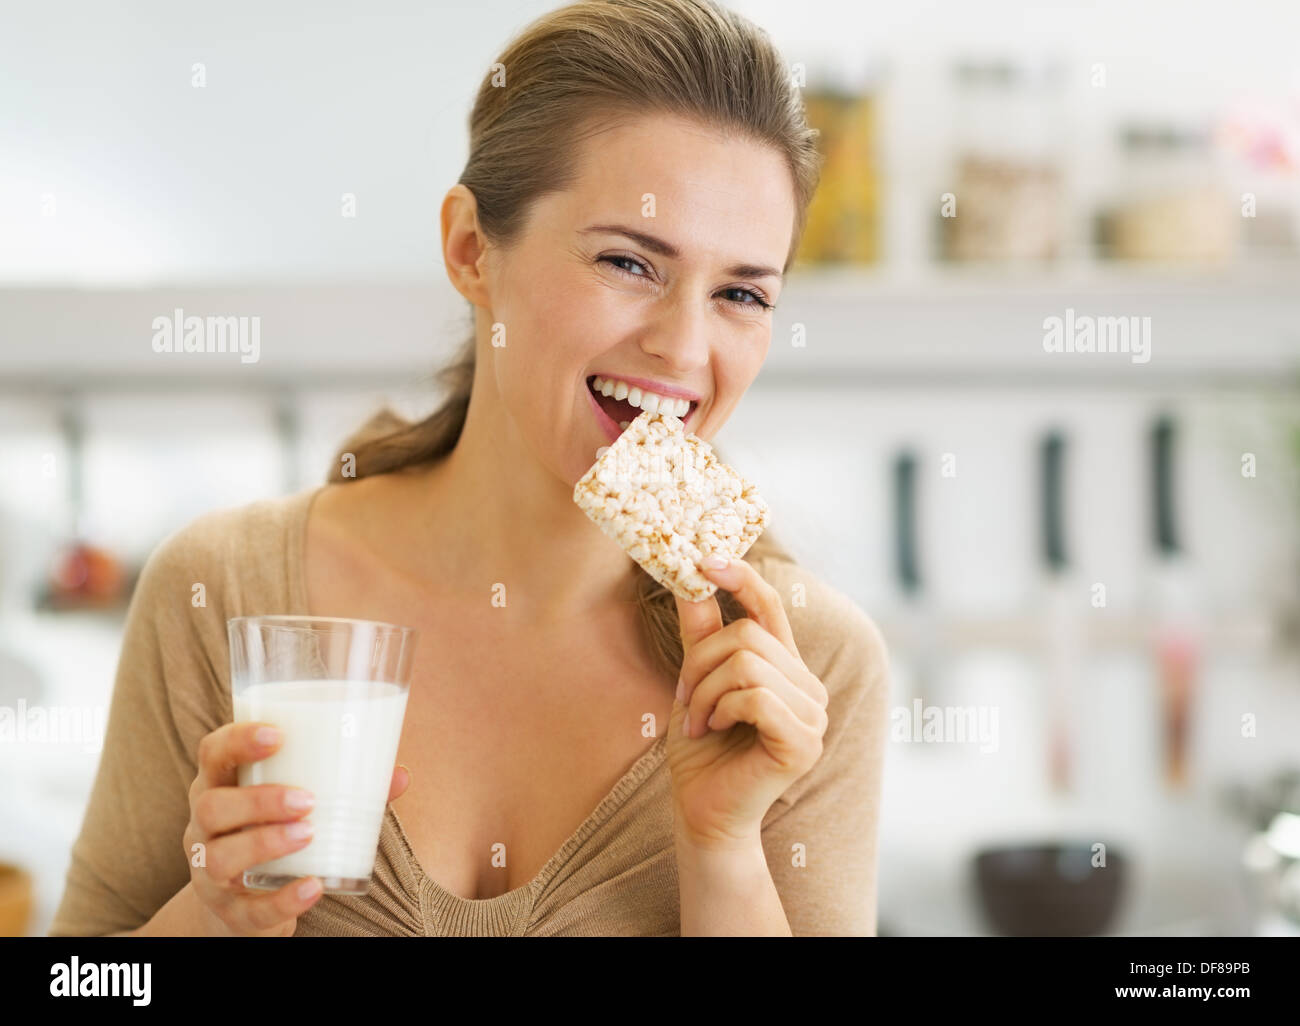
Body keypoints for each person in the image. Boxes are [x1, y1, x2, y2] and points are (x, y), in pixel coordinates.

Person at [49, 0, 889, 938]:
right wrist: (212, 916)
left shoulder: (810, 670)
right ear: (470, 248)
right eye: (628, 261)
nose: (685, 347)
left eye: (741, 293)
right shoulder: (220, 590)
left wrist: (724, 848)